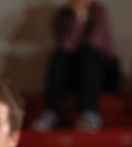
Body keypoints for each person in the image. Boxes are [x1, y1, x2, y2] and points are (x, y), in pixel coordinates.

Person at [32, 0, 121, 132]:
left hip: (103, 74)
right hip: (77, 76)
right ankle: (50, 112)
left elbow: (95, 42)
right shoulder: (62, 15)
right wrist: (79, 21)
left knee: (88, 55)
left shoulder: (99, 11)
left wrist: (83, 20)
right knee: (59, 57)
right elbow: (66, 46)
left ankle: (90, 113)